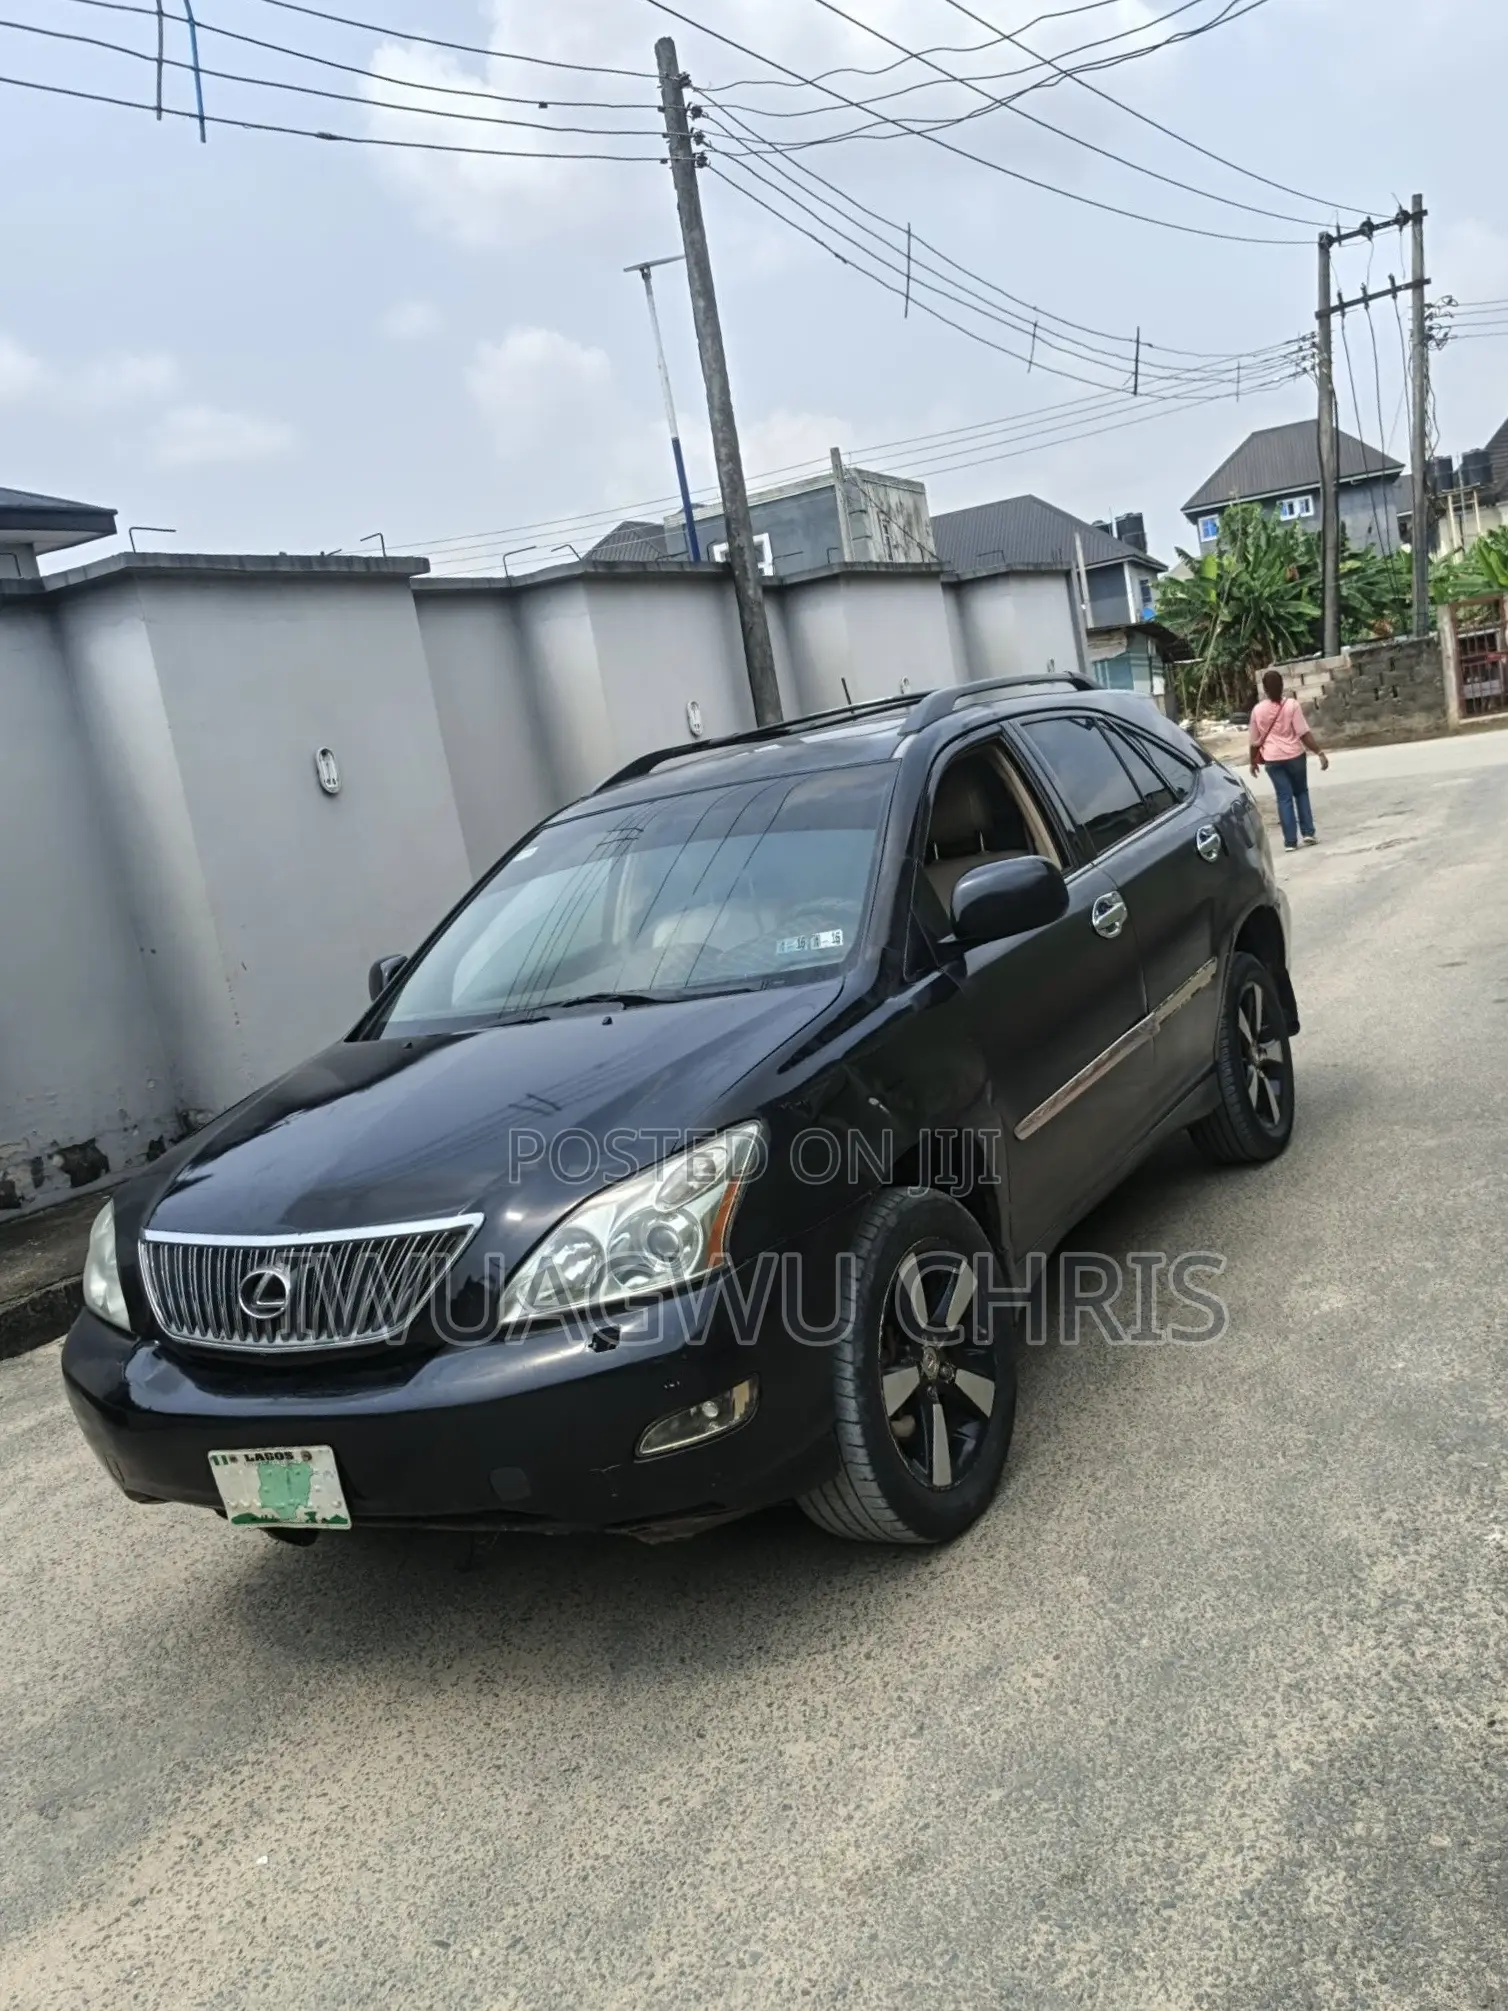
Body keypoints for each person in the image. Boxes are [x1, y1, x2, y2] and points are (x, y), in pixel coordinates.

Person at [1249, 668, 1329, 849]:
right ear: (1282, 685)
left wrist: (1253, 762)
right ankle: (1308, 833)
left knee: (1283, 797)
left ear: (1264, 689)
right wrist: (1319, 752)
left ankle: (1290, 842)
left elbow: (1254, 741)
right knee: (1301, 793)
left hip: (1272, 760)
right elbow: (1303, 733)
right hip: (1295, 757)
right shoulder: (1292, 705)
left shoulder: (1257, 710)